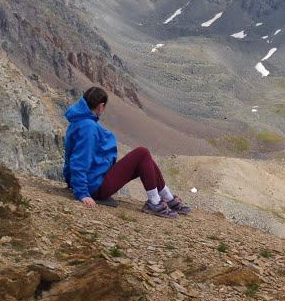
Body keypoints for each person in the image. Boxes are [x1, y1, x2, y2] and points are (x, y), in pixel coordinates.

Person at [61, 87, 190, 219]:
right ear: (101, 106)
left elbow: (73, 156)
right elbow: (79, 160)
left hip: (94, 179)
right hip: (94, 187)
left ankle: (167, 198)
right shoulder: (88, 127)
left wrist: (71, 182)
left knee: (146, 160)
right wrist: (82, 193)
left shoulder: (81, 122)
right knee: (142, 152)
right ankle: (155, 202)